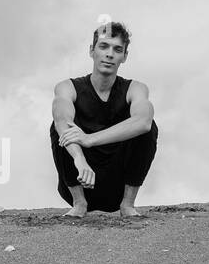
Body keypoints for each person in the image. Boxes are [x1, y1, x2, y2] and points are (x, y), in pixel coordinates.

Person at [50, 20, 158, 219]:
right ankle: (79, 203)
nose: (110, 54)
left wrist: (89, 139)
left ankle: (128, 205)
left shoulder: (135, 88)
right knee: (58, 126)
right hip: (81, 176)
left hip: (118, 183)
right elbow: (61, 120)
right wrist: (79, 158)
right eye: (103, 46)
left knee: (150, 127)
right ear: (92, 51)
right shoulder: (68, 87)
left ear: (124, 56)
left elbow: (143, 122)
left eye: (117, 49)